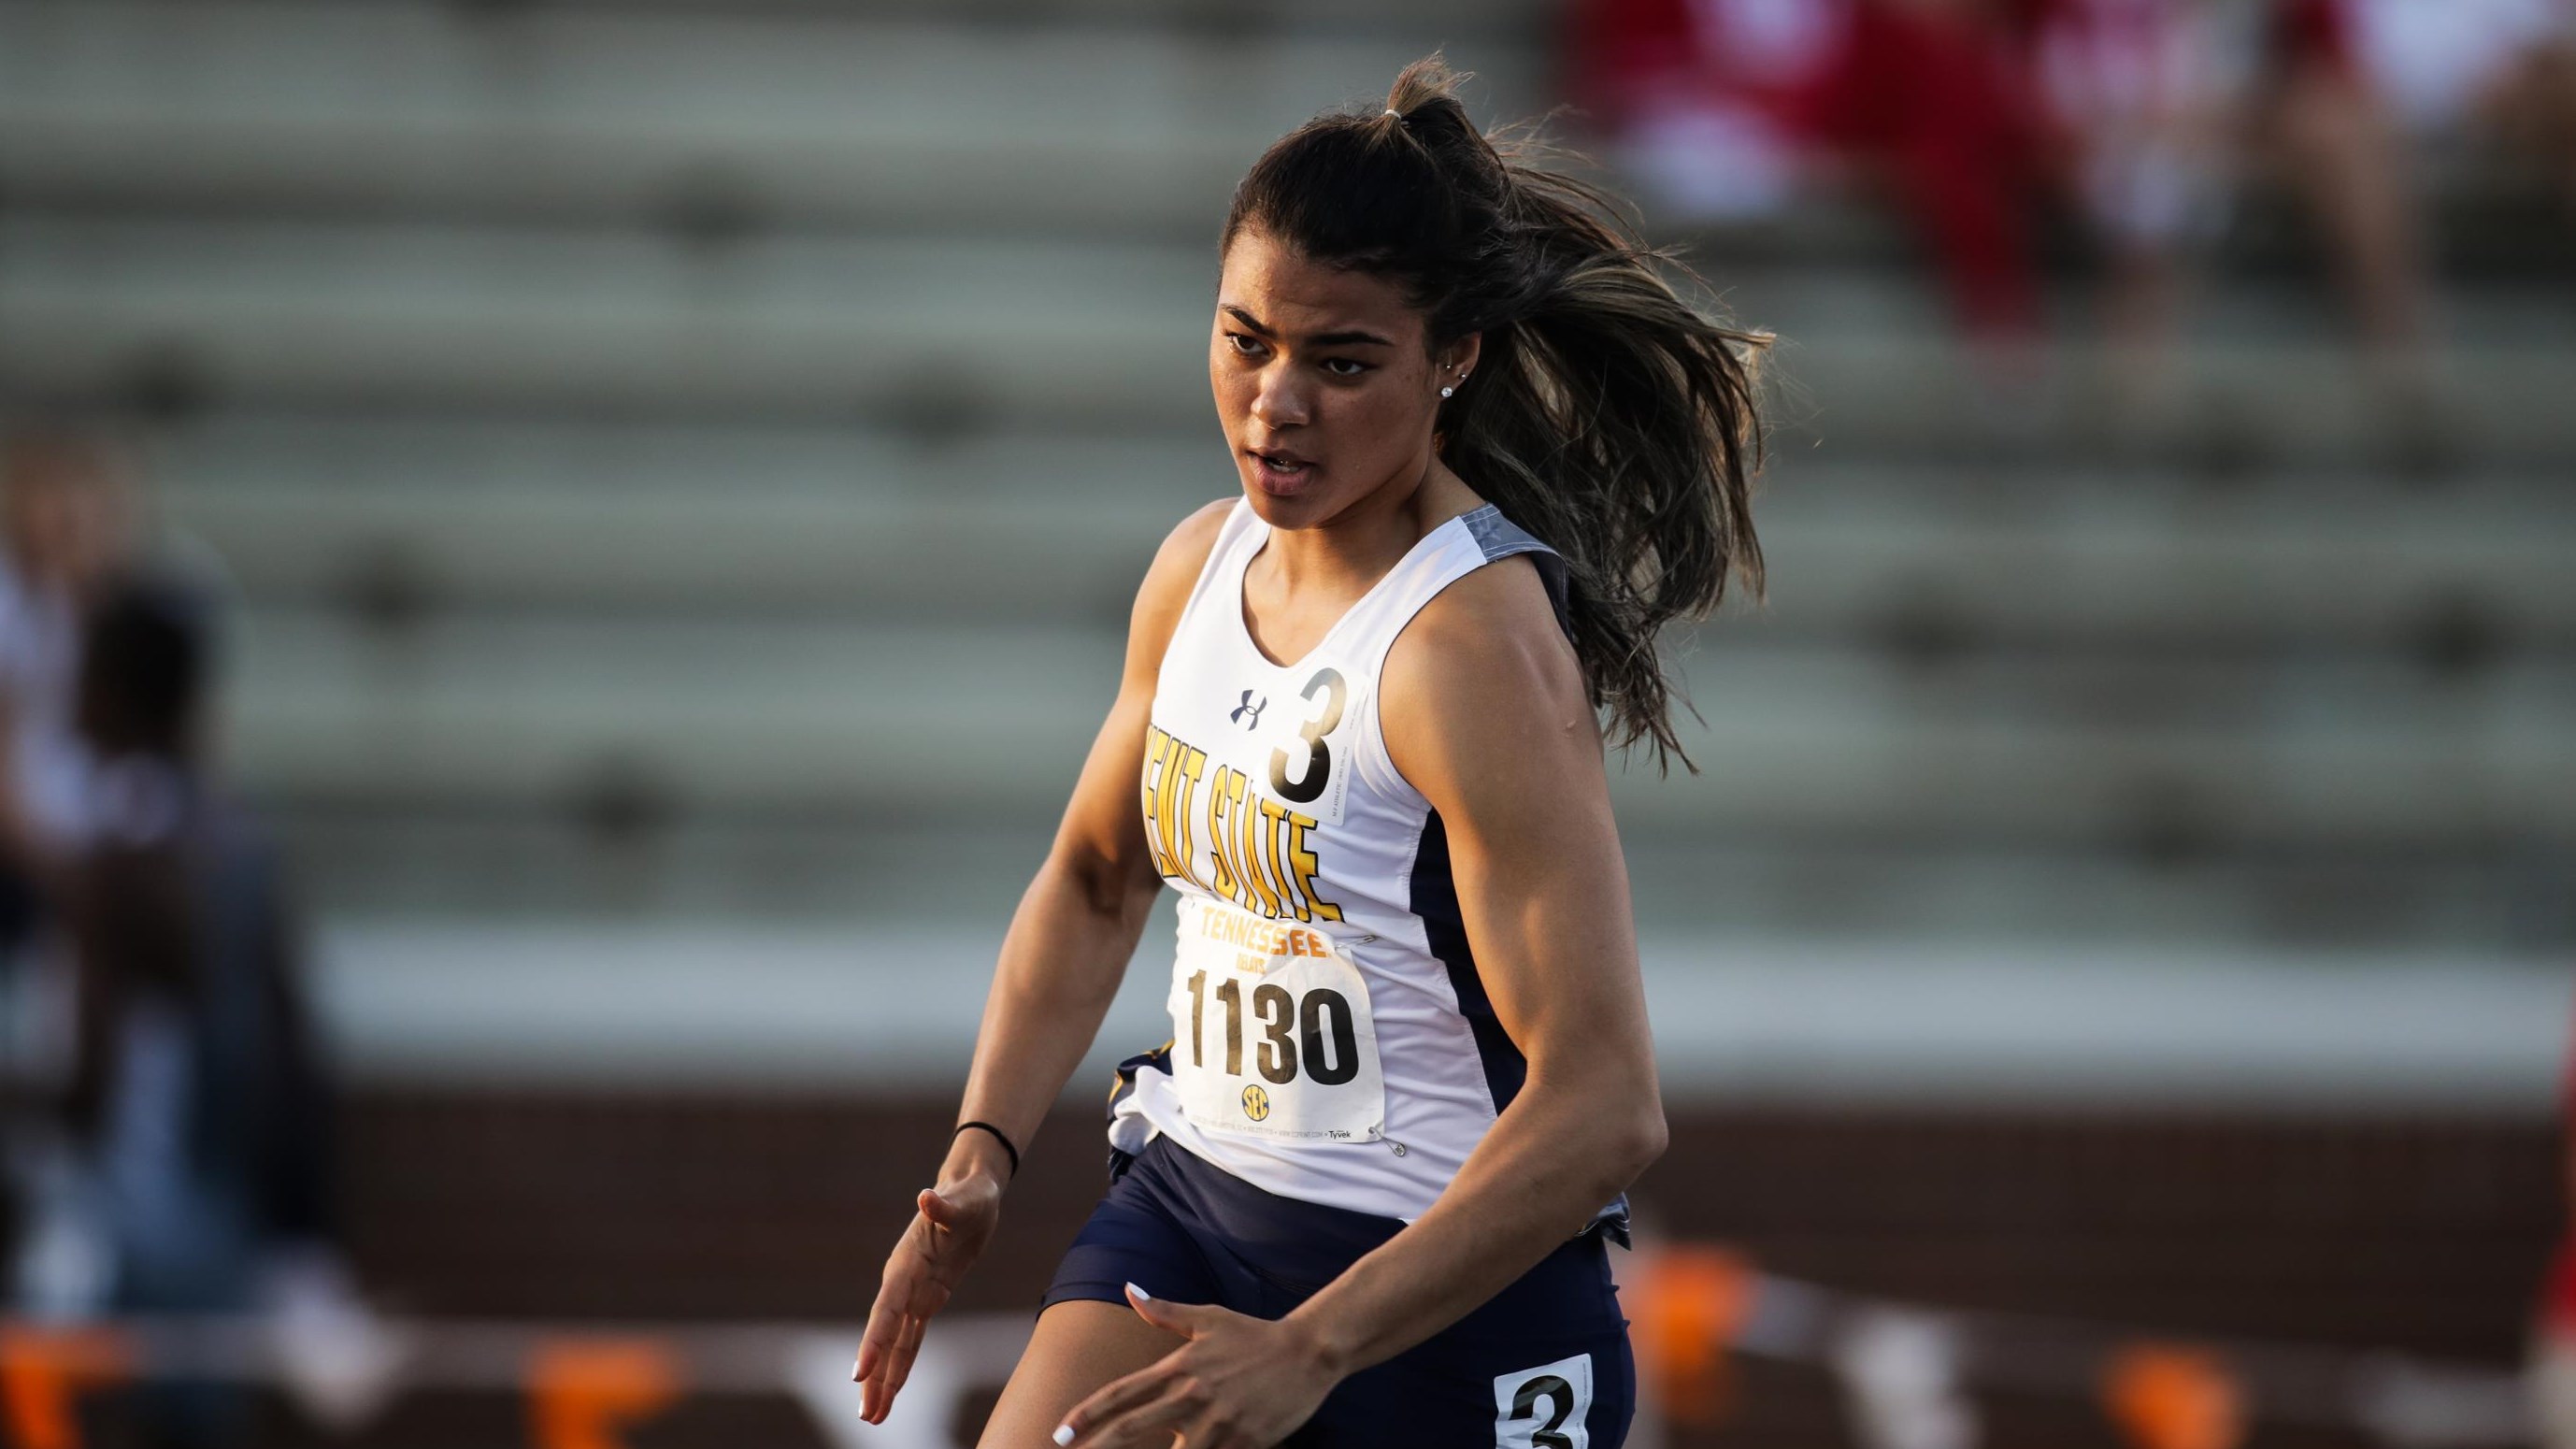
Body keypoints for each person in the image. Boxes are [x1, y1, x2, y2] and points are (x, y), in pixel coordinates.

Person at [851, 56, 1767, 1449]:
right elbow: (1099, 882)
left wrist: (1313, 1345)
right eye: (1245, 340)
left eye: (1341, 364)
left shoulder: (1468, 647)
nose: (1277, 405)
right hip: (1192, 1210)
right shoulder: (1196, 569)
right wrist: (982, 1152)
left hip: (1446, 1309)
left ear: (1452, 356)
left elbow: (1604, 1107)